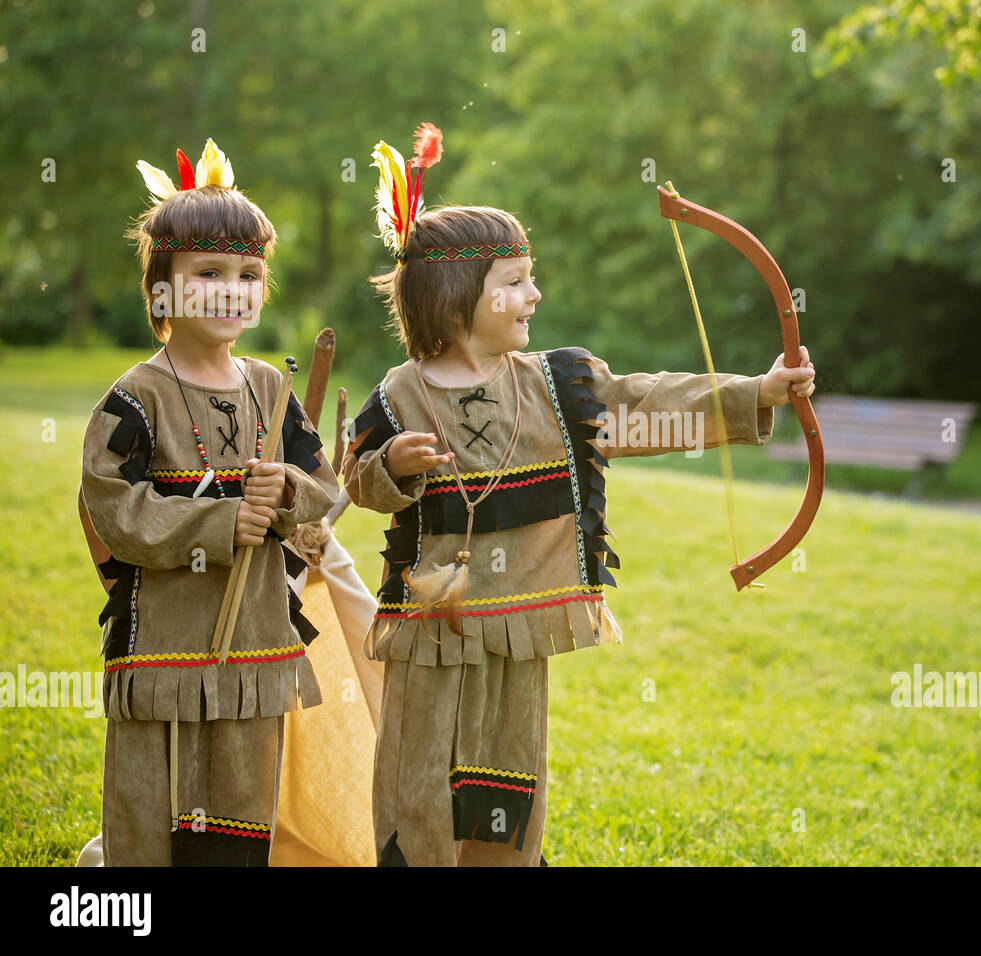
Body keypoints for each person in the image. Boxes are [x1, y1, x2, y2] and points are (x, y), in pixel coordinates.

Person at [343, 124, 816, 866]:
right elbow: (360, 482)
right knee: (418, 781)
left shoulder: (556, 384)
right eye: (514, 281)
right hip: (434, 631)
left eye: (531, 276)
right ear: (455, 296)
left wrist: (756, 391)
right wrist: (395, 467)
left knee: (507, 784)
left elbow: (647, 400)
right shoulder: (399, 393)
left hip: (526, 620)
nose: (535, 293)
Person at [78, 139, 340, 865]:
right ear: (161, 290)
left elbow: (323, 487)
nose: (232, 289)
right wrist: (223, 520)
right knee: (147, 824)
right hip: (161, 649)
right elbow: (112, 511)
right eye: (208, 272)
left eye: (249, 274)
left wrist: (285, 492)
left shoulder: (269, 389)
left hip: (254, 647)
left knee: (235, 823)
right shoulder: (136, 397)